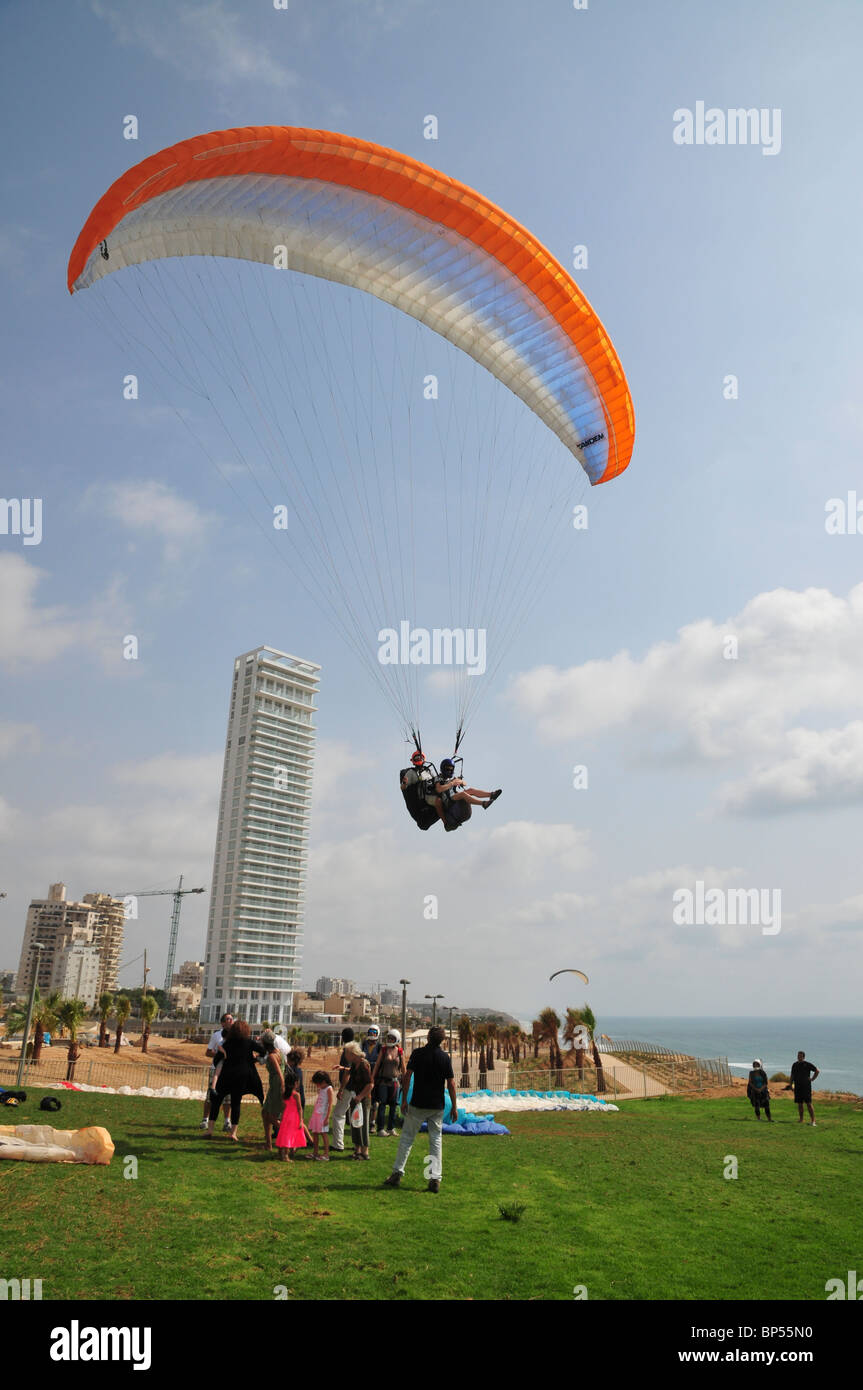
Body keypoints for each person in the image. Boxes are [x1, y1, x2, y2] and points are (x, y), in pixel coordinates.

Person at [383, 1025, 457, 1193]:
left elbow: (407, 1076)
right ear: (442, 1040)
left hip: (418, 1104)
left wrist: (403, 1100)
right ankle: (434, 1178)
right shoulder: (445, 1058)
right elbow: (451, 1084)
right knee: (435, 1141)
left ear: (428, 1038)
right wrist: (454, 1106)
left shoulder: (417, 1054)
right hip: (437, 1106)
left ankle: (397, 1173)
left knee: (407, 1139)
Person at [205, 1019, 265, 1141]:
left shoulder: (227, 1043)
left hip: (226, 1076)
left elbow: (217, 1059)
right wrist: (253, 1059)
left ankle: (210, 1130)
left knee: (216, 1101)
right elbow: (263, 1052)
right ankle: (233, 1133)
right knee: (236, 1103)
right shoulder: (249, 1042)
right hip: (242, 1076)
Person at [432, 757, 501, 822]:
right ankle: (483, 803)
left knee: (470, 790)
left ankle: (491, 794)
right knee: (463, 794)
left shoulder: (452, 778)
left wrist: (460, 781)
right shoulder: (438, 778)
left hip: (454, 795)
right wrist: (452, 783)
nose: (450, 770)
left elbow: (464, 783)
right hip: (448, 800)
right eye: (448, 769)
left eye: (451, 769)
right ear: (443, 768)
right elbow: (439, 789)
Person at [201, 1012, 234, 1131]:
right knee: (211, 1096)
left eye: (231, 1019)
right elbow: (208, 1052)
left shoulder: (236, 1036)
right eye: (228, 1019)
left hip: (229, 1072)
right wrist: (221, 1055)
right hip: (215, 1070)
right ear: (222, 1023)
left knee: (228, 1098)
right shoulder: (216, 1035)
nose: (230, 1021)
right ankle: (205, 1120)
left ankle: (227, 1122)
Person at [372, 1029, 407, 1135]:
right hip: (383, 1082)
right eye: (389, 1038)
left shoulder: (400, 1051)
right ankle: (380, 1129)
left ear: (397, 1039)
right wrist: (372, 1078)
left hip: (395, 1083)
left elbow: (403, 1068)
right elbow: (377, 1065)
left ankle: (391, 1128)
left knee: (394, 1105)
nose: (390, 1040)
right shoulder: (383, 1050)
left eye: (392, 1038)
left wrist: (405, 1082)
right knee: (382, 1104)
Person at [343, 1041, 373, 1159]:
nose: (345, 1055)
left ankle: (365, 1151)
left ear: (353, 1054)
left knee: (363, 1124)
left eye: (347, 1053)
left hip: (363, 1100)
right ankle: (357, 1150)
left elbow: (370, 1084)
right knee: (355, 1124)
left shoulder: (363, 1064)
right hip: (355, 1099)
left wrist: (360, 1096)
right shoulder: (354, 1065)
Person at [331, 1027, 356, 1152]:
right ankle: (358, 1145)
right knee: (354, 1116)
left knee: (338, 1114)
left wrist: (341, 1089)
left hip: (348, 1087)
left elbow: (348, 1072)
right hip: (356, 1088)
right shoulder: (356, 1048)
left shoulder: (348, 1050)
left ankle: (338, 1144)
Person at [275, 1070, 307, 1161]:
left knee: (283, 1134)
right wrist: (301, 1120)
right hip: (294, 1117)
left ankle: (280, 1153)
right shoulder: (296, 1095)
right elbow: (300, 1108)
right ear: (296, 1083)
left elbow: (283, 1106)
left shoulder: (284, 1094)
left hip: (286, 1116)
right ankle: (286, 1155)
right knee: (289, 1135)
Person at [261, 1035, 286, 1151]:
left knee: (270, 1115)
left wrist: (282, 1087)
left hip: (277, 1085)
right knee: (265, 1113)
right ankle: (268, 1144)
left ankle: (287, 1134)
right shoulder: (279, 1052)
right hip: (275, 1085)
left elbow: (279, 1072)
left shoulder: (272, 1056)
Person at [783, 1050, 819, 1125]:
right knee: (799, 1104)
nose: (799, 1057)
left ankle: (813, 1121)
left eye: (800, 1056)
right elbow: (792, 1075)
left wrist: (812, 1079)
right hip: (798, 1086)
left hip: (806, 1087)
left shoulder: (807, 1064)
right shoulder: (795, 1065)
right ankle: (801, 1119)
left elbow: (817, 1071)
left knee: (809, 1103)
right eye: (798, 1056)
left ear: (803, 1057)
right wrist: (790, 1084)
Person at [308, 1070, 335, 1160]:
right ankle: (315, 1153)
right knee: (315, 1133)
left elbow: (330, 1104)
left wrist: (327, 1117)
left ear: (323, 1081)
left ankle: (326, 1154)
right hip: (316, 1113)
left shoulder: (329, 1089)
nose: (317, 1085)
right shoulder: (321, 1089)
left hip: (323, 1115)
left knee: (323, 1134)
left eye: (318, 1083)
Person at [362, 1026, 382, 1131]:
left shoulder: (379, 1047)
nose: (372, 1034)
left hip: (376, 1077)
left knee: (375, 1101)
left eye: (374, 1032)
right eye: (370, 1032)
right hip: (364, 1076)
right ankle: (363, 1121)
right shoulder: (363, 1045)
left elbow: (381, 1062)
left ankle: (372, 1123)